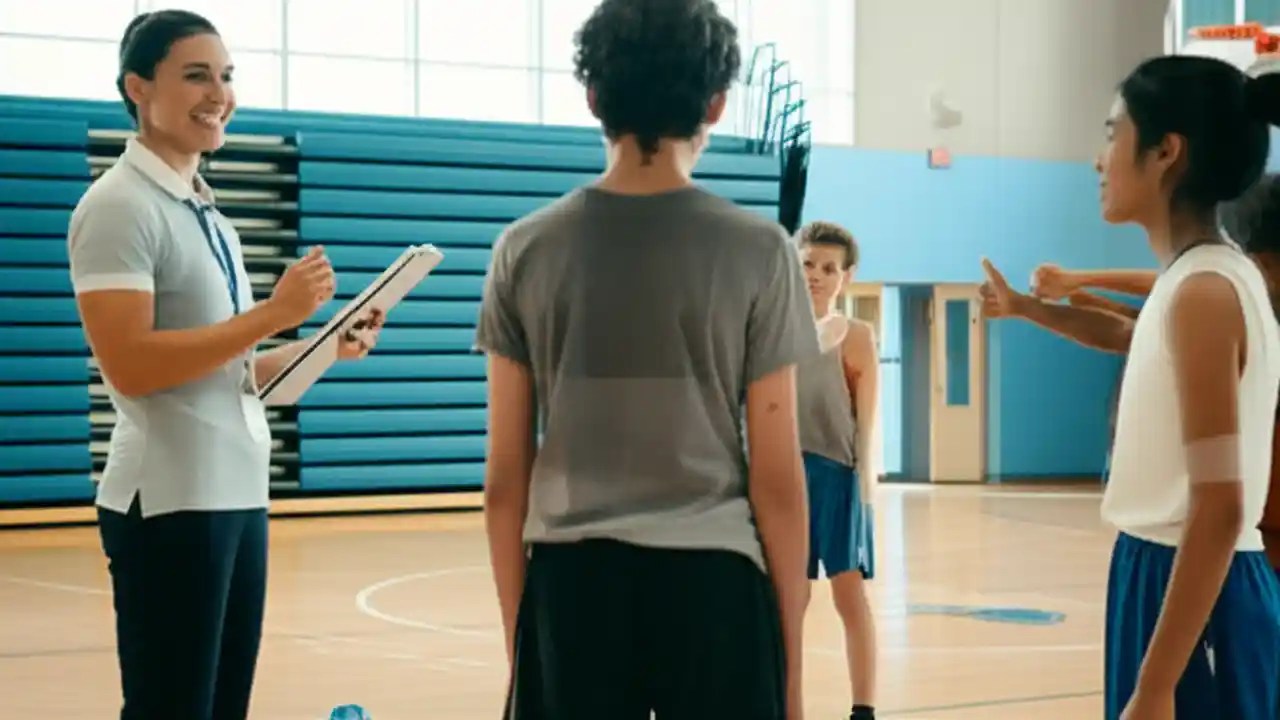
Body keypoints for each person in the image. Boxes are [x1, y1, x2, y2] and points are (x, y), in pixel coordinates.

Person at [474, 1, 817, 717]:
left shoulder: (525, 249)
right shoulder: (760, 251)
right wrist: (790, 671)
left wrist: (524, 649)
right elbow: (778, 479)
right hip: (716, 586)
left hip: (573, 586)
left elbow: (506, 478)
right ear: (718, 103)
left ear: (594, 95)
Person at [69, 11, 382, 719]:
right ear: (138, 88)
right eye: (196, 75)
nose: (220, 93)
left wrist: (324, 345)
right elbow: (131, 365)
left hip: (236, 496)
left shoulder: (209, 216)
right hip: (171, 505)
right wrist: (274, 314)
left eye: (227, 75)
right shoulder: (118, 206)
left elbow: (233, 372)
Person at [982, 56, 1280, 719]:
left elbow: (1220, 508)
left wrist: (1155, 687)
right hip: (1163, 570)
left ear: (1166, 151)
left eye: (1113, 132)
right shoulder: (1194, 279)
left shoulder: (1206, 290)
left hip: (1199, 581)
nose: (1097, 159)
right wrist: (1030, 310)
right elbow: (1128, 337)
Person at [794, 221, 879, 720]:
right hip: (783, 479)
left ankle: (862, 708)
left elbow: (865, 426)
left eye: (829, 268)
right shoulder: (770, 331)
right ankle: (788, 706)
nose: (816, 275)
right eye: (808, 264)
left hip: (836, 477)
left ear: (846, 276)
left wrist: (863, 500)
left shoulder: (857, 336)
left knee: (850, 597)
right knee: (789, 599)